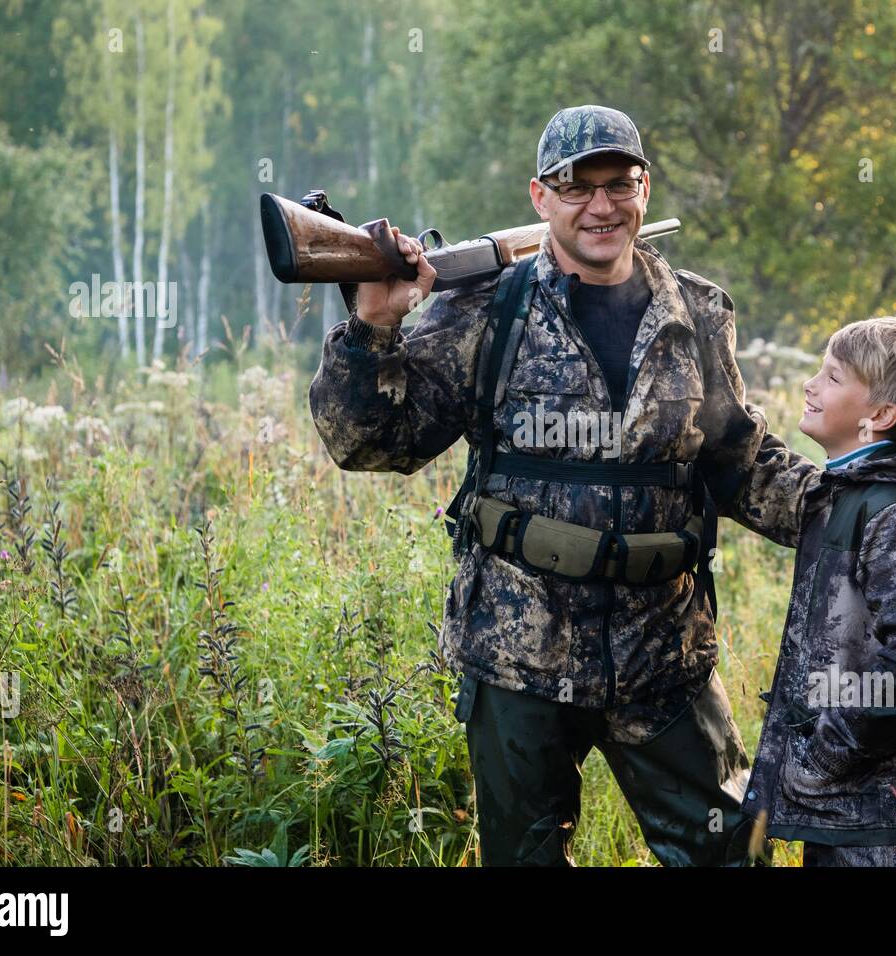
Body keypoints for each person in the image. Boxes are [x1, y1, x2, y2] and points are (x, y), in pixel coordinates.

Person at [307, 104, 818, 865]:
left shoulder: (697, 311)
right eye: (576, 188)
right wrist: (374, 329)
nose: (601, 206)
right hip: (520, 656)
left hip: (663, 652)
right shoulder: (484, 309)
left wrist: (861, 501)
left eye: (620, 184)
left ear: (645, 189)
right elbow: (373, 444)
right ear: (540, 197)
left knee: (730, 853)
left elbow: (739, 459)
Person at [736, 316, 896, 866]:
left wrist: (828, 751)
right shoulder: (844, 492)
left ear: (880, 415)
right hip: (845, 807)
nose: (810, 385)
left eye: (833, 377)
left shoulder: (892, 511)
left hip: (878, 809)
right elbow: (758, 476)